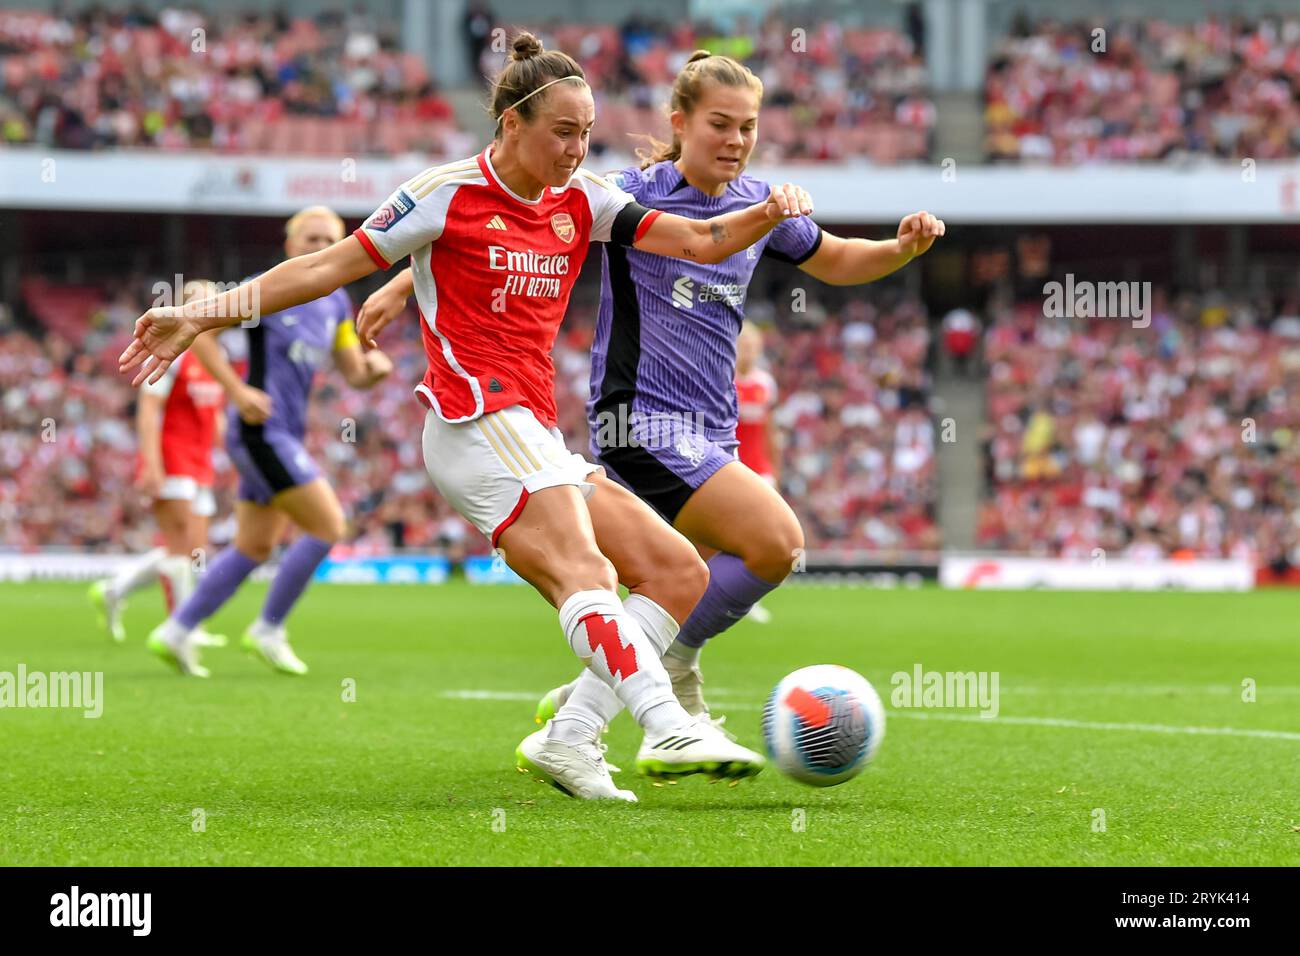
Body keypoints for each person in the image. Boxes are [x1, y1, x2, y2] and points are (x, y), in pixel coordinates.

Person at [120, 33, 815, 802]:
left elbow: (697, 237)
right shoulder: (444, 193)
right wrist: (205, 314)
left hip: (532, 430)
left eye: (586, 133)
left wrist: (767, 212)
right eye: (562, 131)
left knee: (676, 571)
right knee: (586, 572)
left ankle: (570, 739)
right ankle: (664, 722)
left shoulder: (584, 199)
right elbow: (326, 266)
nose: (576, 148)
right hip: (471, 420)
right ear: (511, 125)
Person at [361, 53, 945, 741]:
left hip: (710, 427)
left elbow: (838, 258)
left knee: (682, 576)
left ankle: (594, 703)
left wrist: (900, 249)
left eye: (748, 127)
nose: (734, 140)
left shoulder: (757, 206)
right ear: (679, 122)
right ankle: (665, 675)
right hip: (637, 418)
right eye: (719, 124)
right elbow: (508, 226)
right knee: (776, 543)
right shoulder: (626, 192)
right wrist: (406, 282)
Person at [141, 206, 394, 678]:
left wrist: (374, 370)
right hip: (261, 430)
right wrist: (236, 392)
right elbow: (203, 333)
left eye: (328, 241)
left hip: (283, 432)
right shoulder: (268, 287)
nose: (320, 249)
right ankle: (268, 629)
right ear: (290, 245)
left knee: (254, 546)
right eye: (310, 240)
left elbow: (354, 370)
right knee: (328, 527)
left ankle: (176, 631)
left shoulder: (336, 302)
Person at [89, 280, 228, 648]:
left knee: (191, 549)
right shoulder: (177, 350)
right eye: (200, 303)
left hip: (200, 463)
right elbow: (149, 409)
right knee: (181, 547)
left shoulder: (217, 356)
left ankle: (114, 590)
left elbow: (214, 412)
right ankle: (182, 629)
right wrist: (150, 464)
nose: (209, 309)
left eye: (214, 302)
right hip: (173, 458)